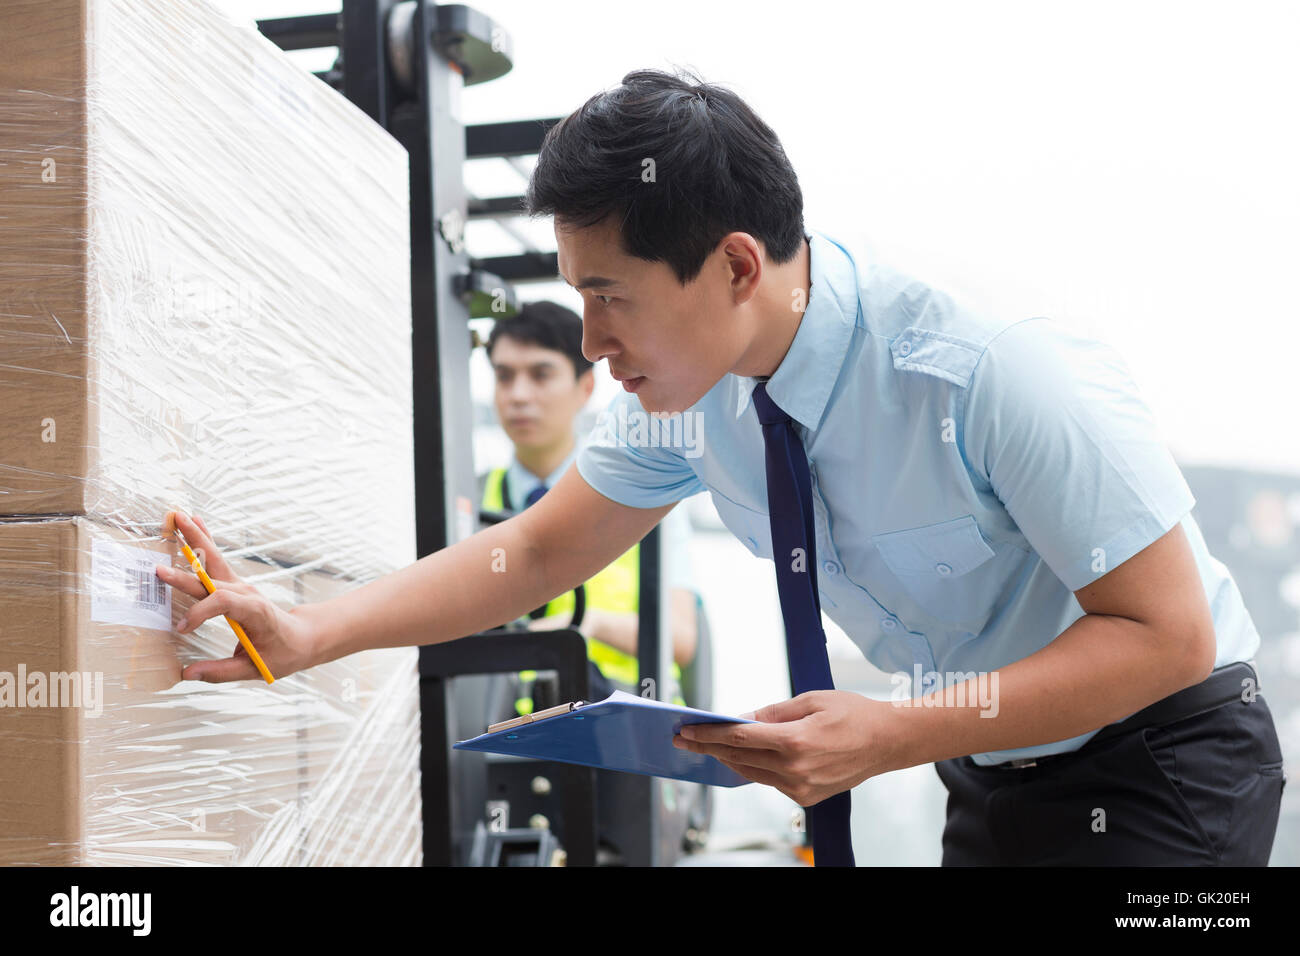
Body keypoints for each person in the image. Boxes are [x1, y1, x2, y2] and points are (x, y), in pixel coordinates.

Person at [160, 68, 1284, 866]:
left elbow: (1164, 633)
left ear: (736, 265)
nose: (589, 340)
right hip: (991, 768)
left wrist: (893, 728)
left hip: (1166, 755)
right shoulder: (692, 403)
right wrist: (316, 628)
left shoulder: (990, 366)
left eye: (610, 296)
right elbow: (537, 547)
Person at [478, 300, 699, 713]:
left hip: (627, 729)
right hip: (507, 730)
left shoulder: (644, 488)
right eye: (504, 377)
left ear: (585, 388)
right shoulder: (470, 501)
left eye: (540, 375)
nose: (519, 395)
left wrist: (587, 625)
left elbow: (682, 638)